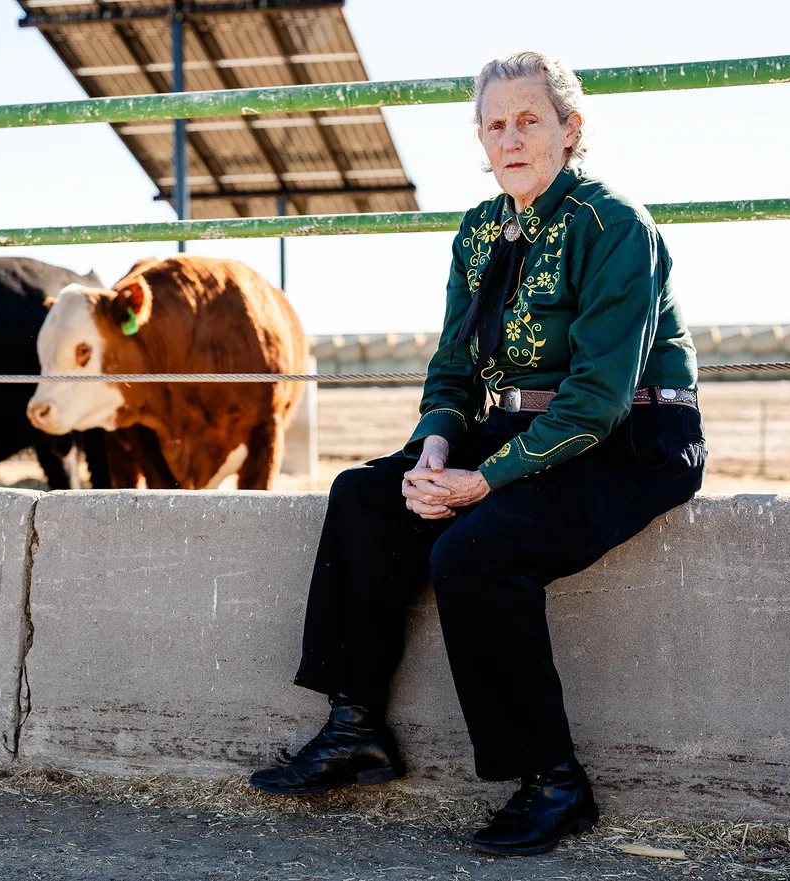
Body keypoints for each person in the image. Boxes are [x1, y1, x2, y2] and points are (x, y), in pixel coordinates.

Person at [248, 51, 706, 857]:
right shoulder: (479, 229)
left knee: (476, 551)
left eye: (530, 119)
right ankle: (356, 725)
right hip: (521, 431)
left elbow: (596, 401)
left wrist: (480, 482)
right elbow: (455, 369)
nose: (511, 136)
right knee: (364, 494)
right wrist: (434, 455)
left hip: (634, 438)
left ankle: (555, 783)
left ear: (570, 130)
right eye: (495, 124)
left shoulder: (613, 225)